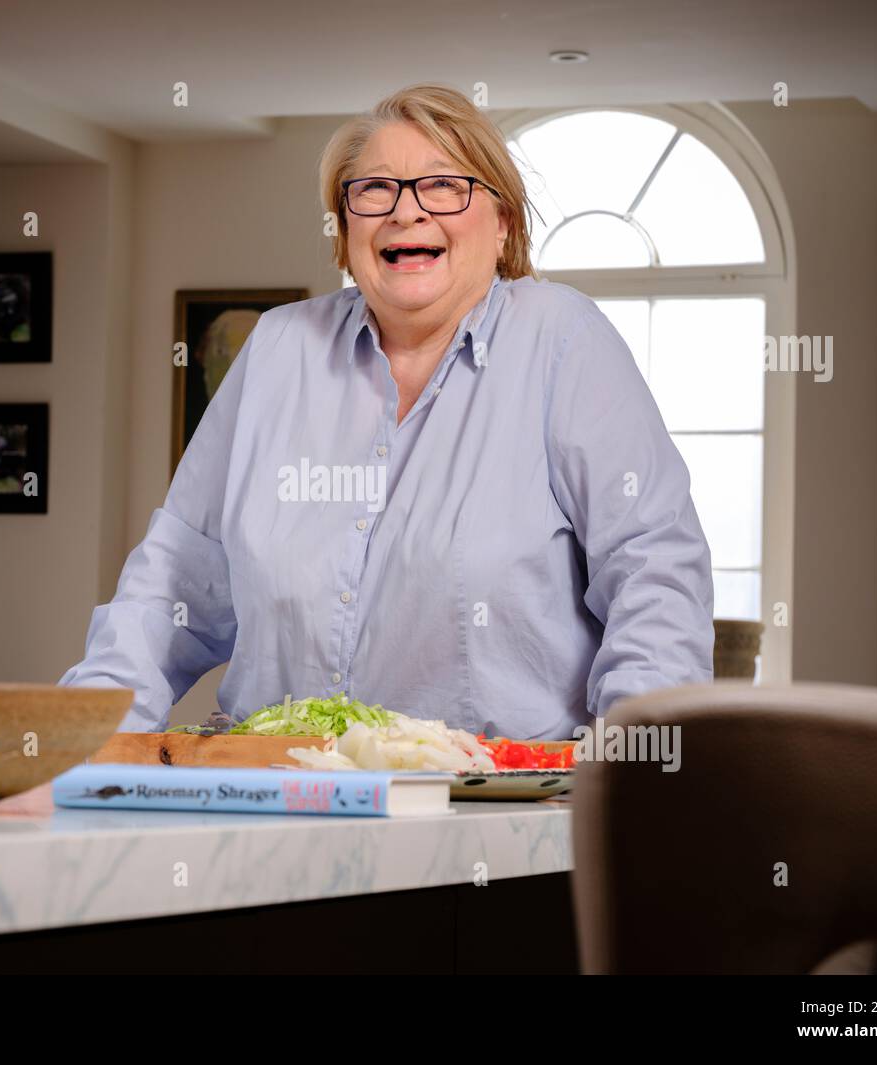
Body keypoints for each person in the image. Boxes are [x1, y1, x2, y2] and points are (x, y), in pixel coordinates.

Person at [59, 83, 713, 740]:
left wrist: (634, 774)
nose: (406, 213)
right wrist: (74, 745)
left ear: (504, 222)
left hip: (492, 813)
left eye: (444, 186)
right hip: (273, 800)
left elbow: (653, 571)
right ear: (344, 229)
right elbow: (172, 583)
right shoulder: (279, 349)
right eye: (374, 190)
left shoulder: (563, 339)